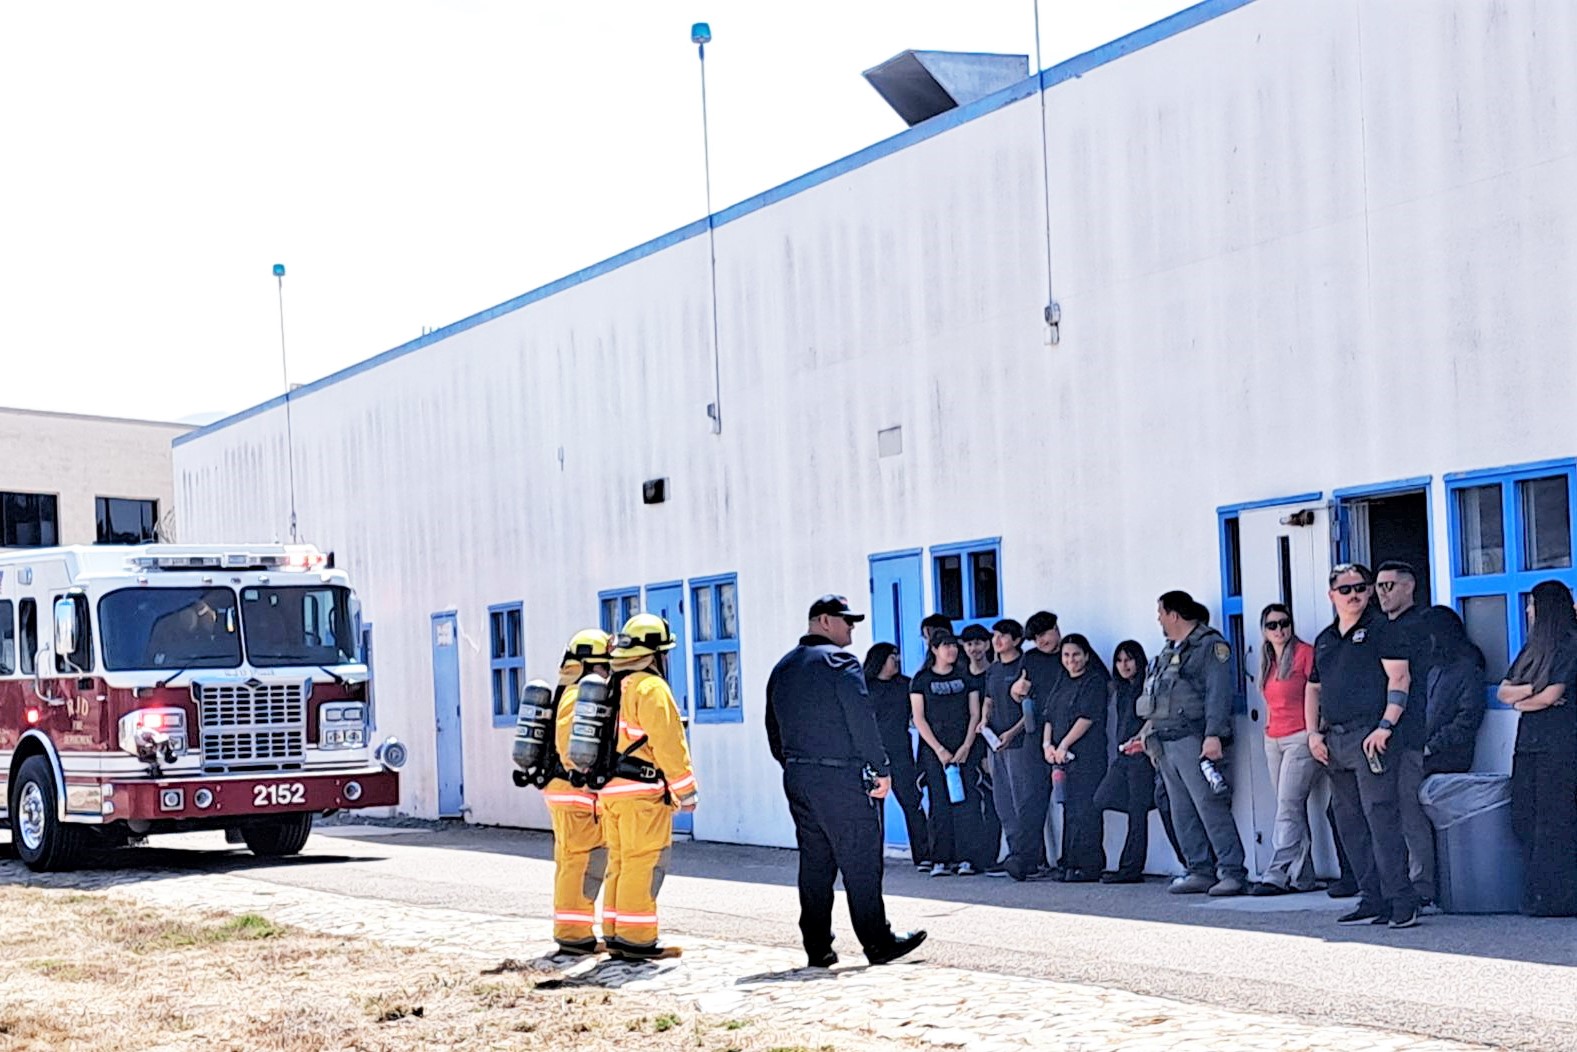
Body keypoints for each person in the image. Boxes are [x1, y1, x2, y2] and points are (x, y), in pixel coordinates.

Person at [766, 595, 926, 967]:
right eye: (846, 621)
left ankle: (817, 945)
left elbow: (772, 727)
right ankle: (877, 941)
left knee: (816, 862)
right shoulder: (840, 662)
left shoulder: (783, 667)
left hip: (800, 774)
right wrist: (881, 767)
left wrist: (795, 764)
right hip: (839, 776)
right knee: (861, 860)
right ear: (824, 621)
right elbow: (861, 719)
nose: (851, 628)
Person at [1306, 563, 1419, 929]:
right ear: (1332, 595)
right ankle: (1372, 897)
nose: (1354, 594)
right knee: (1348, 821)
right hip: (1334, 739)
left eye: (1361, 587)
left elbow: (1399, 677)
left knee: (1381, 817)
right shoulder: (1324, 639)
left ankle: (1401, 900)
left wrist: (1386, 724)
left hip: (1370, 736)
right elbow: (1313, 688)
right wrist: (1312, 733)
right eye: (1345, 589)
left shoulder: (1382, 630)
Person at [599, 614, 698, 960]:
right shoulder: (651, 688)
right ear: (655, 654)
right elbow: (669, 742)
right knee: (644, 863)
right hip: (641, 792)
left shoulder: (614, 685)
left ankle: (614, 934)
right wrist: (686, 790)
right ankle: (637, 938)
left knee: (621, 862)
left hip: (610, 791)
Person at [1145, 591, 1247, 896]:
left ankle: (1231, 871)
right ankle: (1199, 869)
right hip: (1166, 741)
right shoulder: (1168, 650)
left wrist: (1213, 734)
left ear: (1175, 614)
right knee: (1182, 811)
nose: (1159, 619)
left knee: (1209, 805)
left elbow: (1218, 692)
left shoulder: (1209, 646)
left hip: (1194, 738)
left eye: (1161, 612)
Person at [1497, 581, 1577, 917]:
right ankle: (1537, 891)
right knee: (1524, 816)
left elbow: (1552, 695)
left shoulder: (1570, 645)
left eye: (1532, 605)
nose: (1528, 611)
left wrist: (1527, 697)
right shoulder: (1531, 649)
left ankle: (1558, 897)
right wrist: (1531, 692)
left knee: (1554, 821)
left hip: (1559, 744)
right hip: (1527, 744)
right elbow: (1503, 691)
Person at [544, 629, 612, 955]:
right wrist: (587, 777)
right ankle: (573, 934)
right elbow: (568, 745)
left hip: (568, 790)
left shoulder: (567, 690)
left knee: (574, 860)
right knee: (578, 862)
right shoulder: (576, 695)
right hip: (574, 791)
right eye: (603, 666)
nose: (607, 673)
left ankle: (574, 931)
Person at [1375, 560, 1437, 911]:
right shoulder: (1382, 628)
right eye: (1379, 586)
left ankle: (1421, 885)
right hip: (1381, 733)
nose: (1382, 593)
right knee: (1385, 812)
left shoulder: (1421, 625)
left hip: (1411, 732)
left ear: (1409, 586)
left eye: (1390, 585)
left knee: (1410, 811)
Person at [1250, 604, 1321, 895]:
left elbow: (1317, 692)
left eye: (1284, 623)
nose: (1279, 630)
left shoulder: (1305, 653)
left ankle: (1276, 873)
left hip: (1300, 736)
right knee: (1289, 806)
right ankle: (1303, 875)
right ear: (1264, 630)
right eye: (1272, 625)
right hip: (1274, 737)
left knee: (1288, 807)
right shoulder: (1267, 659)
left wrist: (1314, 732)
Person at [910, 629, 990, 876]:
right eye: (946, 646)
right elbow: (919, 718)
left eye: (954, 646)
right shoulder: (921, 680)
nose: (952, 650)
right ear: (934, 649)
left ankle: (968, 858)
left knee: (966, 803)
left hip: (965, 748)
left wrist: (966, 745)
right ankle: (941, 859)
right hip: (935, 751)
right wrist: (939, 750)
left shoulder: (967, 678)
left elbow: (975, 714)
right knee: (939, 803)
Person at [982, 618, 1045, 881]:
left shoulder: (1024, 666)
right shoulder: (993, 669)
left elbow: (1031, 707)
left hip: (1019, 743)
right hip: (994, 744)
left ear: (1017, 640)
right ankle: (1013, 854)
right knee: (1003, 802)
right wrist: (984, 722)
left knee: (1024, 801)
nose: (997, 640)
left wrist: (1012, 732)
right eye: (995, 635)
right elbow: (988, 700)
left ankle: (1030, 857)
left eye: (1004, 636)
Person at [1042, 633, 1109, 882]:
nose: (1071, 660)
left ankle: (1089, 865)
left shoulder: (1094, 682)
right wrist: (1048, 745)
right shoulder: (1061, 682)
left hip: (1087, 757)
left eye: (1076, 655)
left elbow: (1086, 718)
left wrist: (1064, 745)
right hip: (1061, 758)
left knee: (1086, 810)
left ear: (1087, 656)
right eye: (1067, 655)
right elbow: (1048, 716)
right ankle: (1068, 861)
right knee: (1069, 810)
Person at [1004, 609, 1062, 878]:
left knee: (1074, 801)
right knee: (1031, 799)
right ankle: (1024, 858)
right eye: (1036, 637)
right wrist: (1017, 692)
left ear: (1056, 628)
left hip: (1068, 731)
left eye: (1044, 634)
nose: (1041, 641)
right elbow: (1019, 690)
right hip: (1035, 733)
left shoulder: (1072, 651)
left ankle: (1073, 859)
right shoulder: (1032, 658)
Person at [863, 642, 929, 871]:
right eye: (893, 657)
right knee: (873, 809)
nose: (898, 661)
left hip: (901, 752)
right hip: (873, 756)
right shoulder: (865, 687)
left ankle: (924, 854)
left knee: (912, 802)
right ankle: (871, 857)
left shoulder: (905, 685)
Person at [1100, 640, 1155, 883]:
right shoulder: (1120, 690)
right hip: (1122, 756)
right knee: (1101, 798)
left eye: (1129, 659)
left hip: (1140, 755)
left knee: (1136, 815)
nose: (1124, 665)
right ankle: (1146, 803)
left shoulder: (1146, 686)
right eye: (1120, 660)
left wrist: (1140, 738)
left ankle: (1130, 869)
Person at [1418, 605, 1486, 775]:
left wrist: (1431, 747)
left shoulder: (1468, 670)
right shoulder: (1434, 669)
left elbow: (1467, 720)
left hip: (1448, 758)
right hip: (1424, 752)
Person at [960, 624, 1004, 874]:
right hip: (966, 748)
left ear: (987, 645)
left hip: (993, 745)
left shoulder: (995, 674)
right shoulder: (960, 676)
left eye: (978, 643)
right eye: (968, 644)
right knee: (968, 804)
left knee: (993, 801)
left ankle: (991, 856)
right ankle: (970, 857)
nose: (973, 648)